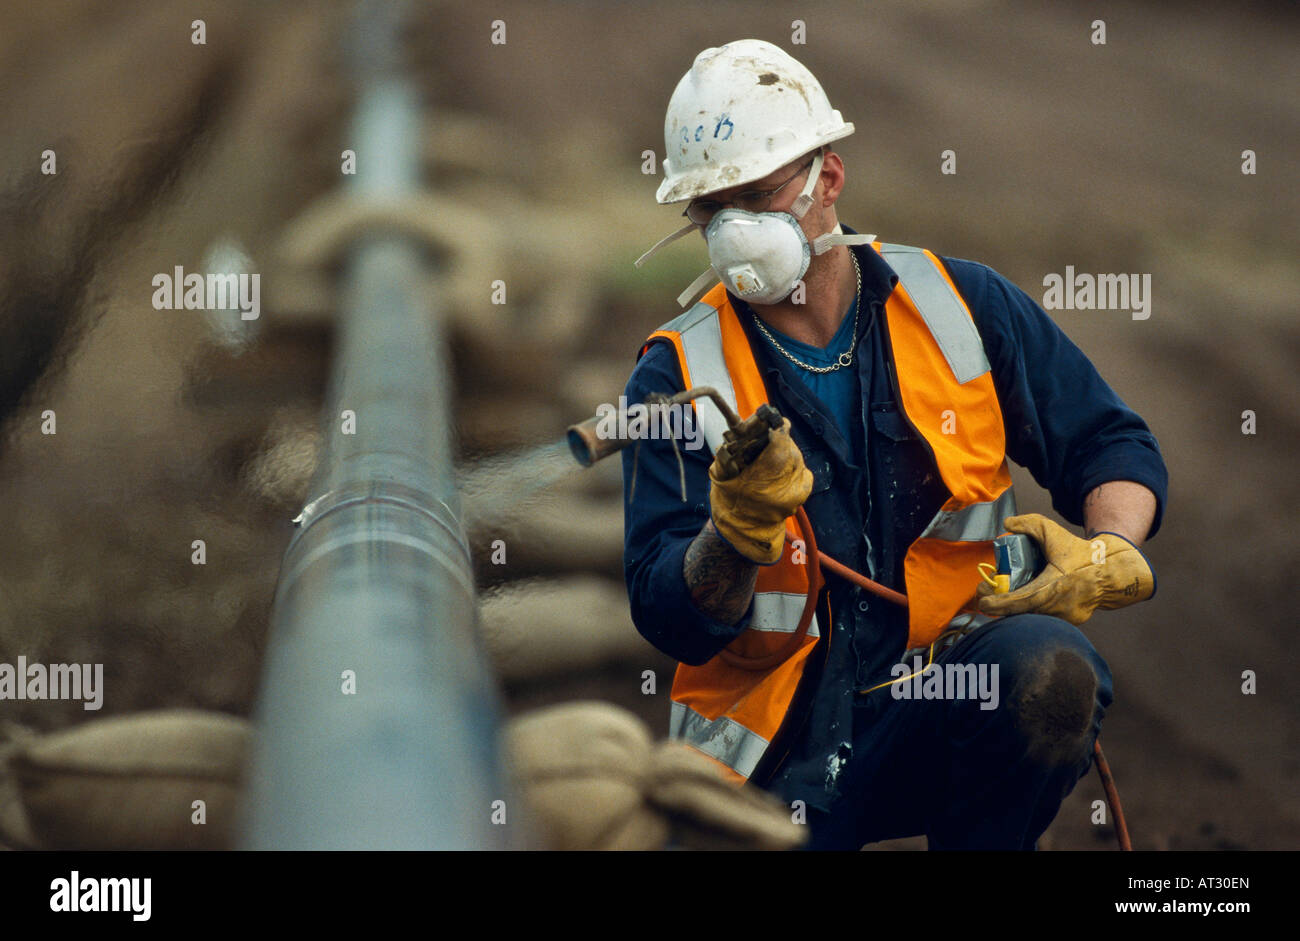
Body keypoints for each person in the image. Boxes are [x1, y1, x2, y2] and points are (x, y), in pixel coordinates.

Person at [622, 39, 1167, 850]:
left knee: (1049, 673)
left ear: (827, 180)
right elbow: (667, 609)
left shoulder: (959, 305)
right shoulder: (677, 376)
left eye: (758, 196)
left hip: (946, 700)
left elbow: (1107, 439)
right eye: (713, 210)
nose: (737, 231)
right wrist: (728, 541)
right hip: (772, 756)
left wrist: (1111, 545)